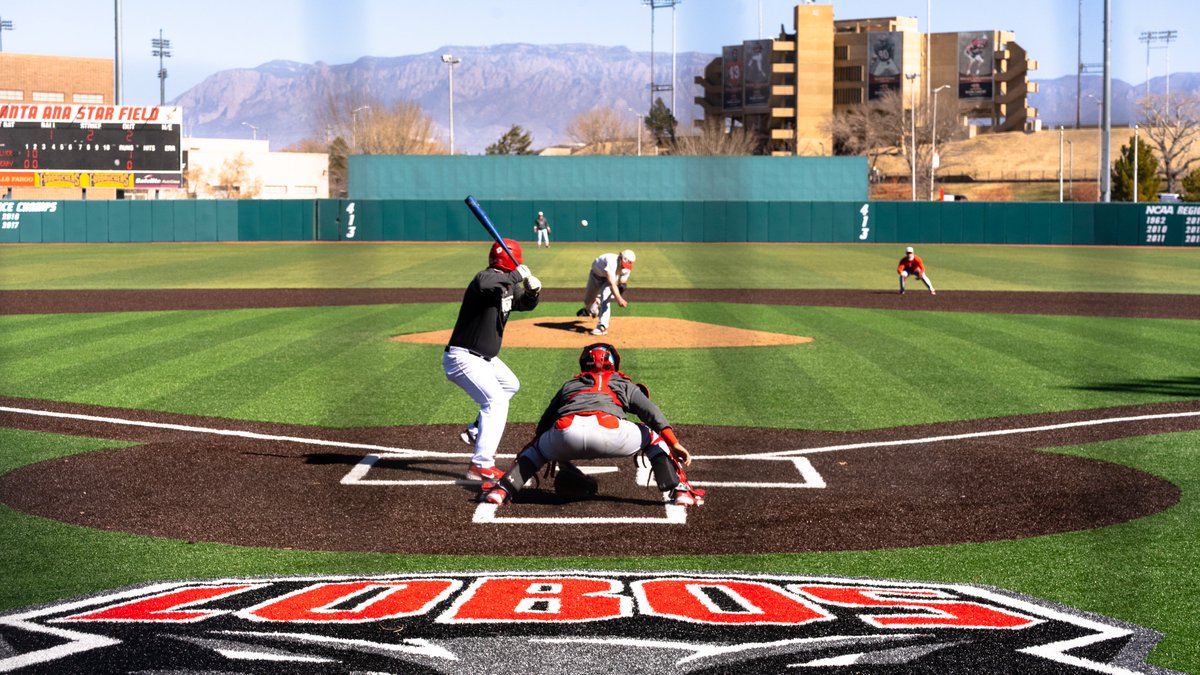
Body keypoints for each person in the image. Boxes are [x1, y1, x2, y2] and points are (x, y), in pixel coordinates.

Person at [480, 342, 704, 507]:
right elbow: (651, 413)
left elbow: (544, 425)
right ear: (614, 363)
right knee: (653, 436)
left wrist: (548, 451)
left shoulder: (570, 384)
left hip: (564, 432)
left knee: (536, 448)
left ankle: (501, 490)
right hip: (612, 434)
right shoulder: (621, 382)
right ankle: (680, 491)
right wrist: (674, 443)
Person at [444, 239, 542, 481]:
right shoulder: (486, 279)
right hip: (463, 358)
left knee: (510, 384)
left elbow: (524, 303)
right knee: (496, 402)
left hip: (484, 359)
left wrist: (533, 292)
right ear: (513, 261)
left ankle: (476, 430)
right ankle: (480, 464)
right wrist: (516, 276)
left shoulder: (505, 286)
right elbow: (485, 281)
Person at [575, 249, 635, 336]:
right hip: (595, 276)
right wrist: (619, 298)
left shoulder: (627, 268)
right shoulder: (611, 261)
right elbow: (612, 284)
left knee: (606, 298)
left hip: (611, 279)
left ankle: (602, 326)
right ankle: (593, 308)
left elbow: (620, 281)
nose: (624, 267)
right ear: (621, 258)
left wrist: (620, 286)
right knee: (587, 301)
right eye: (624, 264)